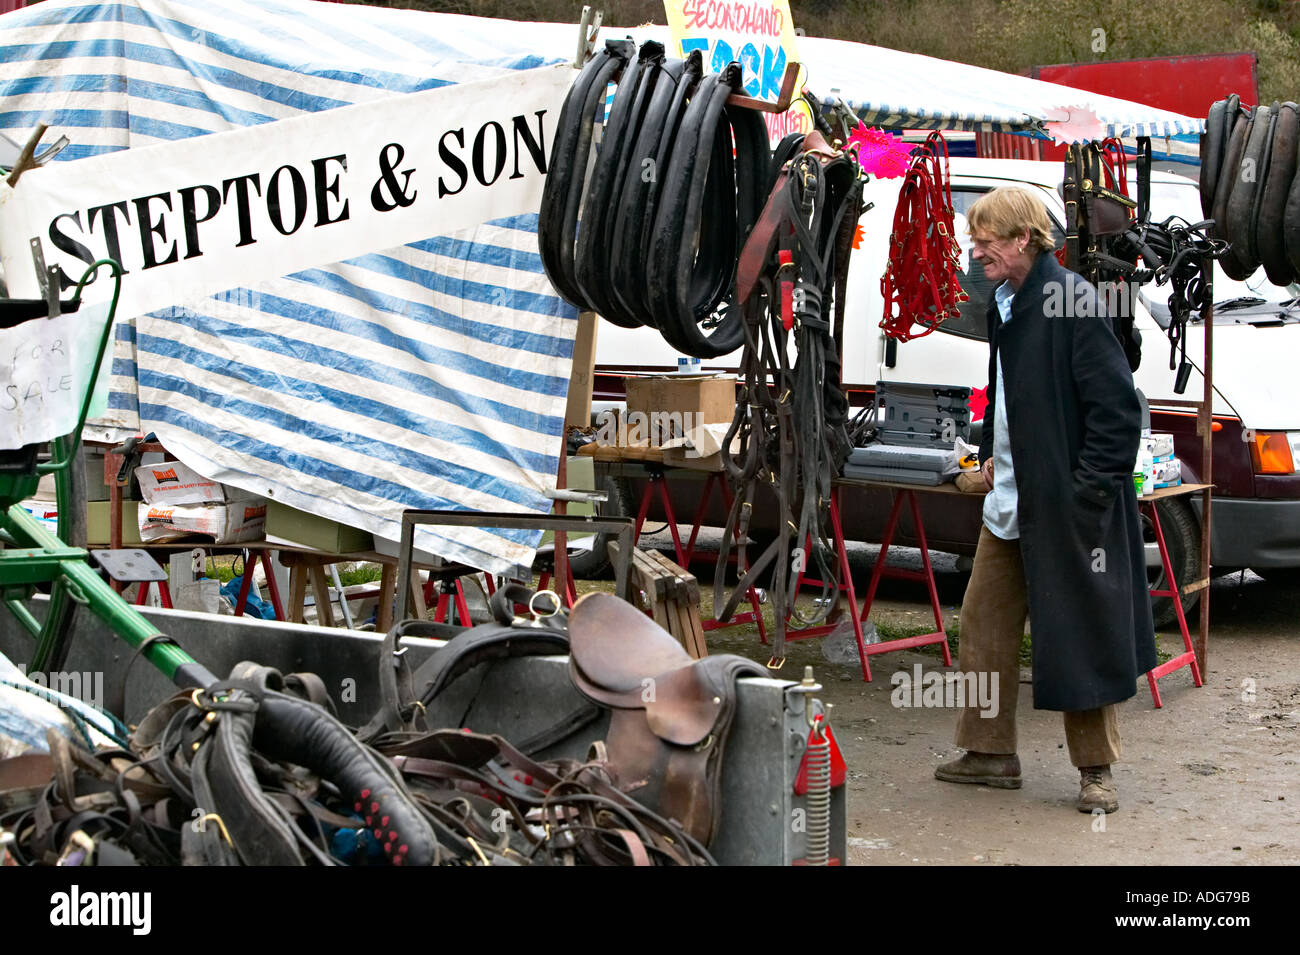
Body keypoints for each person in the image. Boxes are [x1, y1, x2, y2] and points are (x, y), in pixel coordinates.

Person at [934, 186, 1157, 813]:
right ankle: (989, 752)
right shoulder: (1007, 301)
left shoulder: (1072, 303)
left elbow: (1118, 413)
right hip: (1012, 502)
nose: (975, 250)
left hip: (1067, 510)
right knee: (983, 623)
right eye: (975, 238)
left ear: (1024, 239)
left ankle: (1096, 772)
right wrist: (987, 458)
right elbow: (1008, 393)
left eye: (986, 239)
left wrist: (1085, 496)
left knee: (1079, 633)